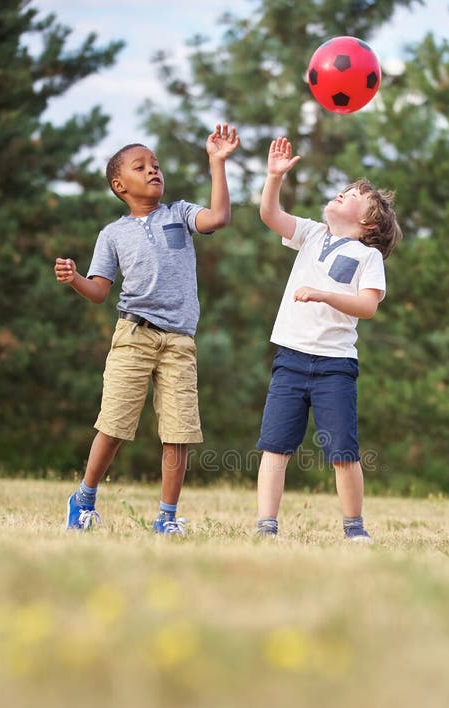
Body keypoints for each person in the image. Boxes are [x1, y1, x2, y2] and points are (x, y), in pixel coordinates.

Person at [55, 124, 240, 534]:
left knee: (178, 431)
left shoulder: (180, 214)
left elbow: (220, 217)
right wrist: (74, 280)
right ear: (120, 185)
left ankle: (166, 518)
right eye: (141, 167)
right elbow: (100, 290)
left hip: (179, 342)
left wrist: (217, 163)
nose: (153, 170)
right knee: (115, 424)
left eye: (155, 165)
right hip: (134, 336)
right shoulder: (113, 234)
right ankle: (84, 498)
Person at [255, 136, 402, 542]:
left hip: (334, 365)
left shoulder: (367, 258)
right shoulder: (312, 234)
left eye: (353, 195)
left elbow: (367, 306)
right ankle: (266, 527)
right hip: (290, 360)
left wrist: (322, 294)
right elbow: (270, 214)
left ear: (368, 223)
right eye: (343, 190)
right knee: (275, 447)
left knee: (343, 452)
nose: (342, 194)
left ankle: (354, 529)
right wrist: (273, 177)